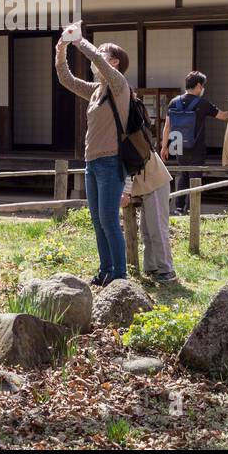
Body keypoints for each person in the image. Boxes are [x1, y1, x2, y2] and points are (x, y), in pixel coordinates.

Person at [55, 21, 132, 285]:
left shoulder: (119, 86)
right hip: (92, 162)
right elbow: (66, 79)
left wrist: (80, 41)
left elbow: (97, 60)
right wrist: (61, 49)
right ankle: (105, 270)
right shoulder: (96, 91)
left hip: (111, 162)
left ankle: (119, 275)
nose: (96, 58)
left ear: (115, 62)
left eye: (102, 54)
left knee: (109, 220)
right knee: (98, 221)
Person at [161, 71, 228, 195]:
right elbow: (222, 116)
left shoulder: (173, 102)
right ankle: (192, 207)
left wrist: (164, 146)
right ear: (198, 85)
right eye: (203, 86)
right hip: (196, 147)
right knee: (195, 177)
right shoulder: (202, 103)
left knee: (183, 175)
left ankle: (179, 207)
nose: (203, 88)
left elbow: (167, 126)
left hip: (178, 145)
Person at [121, 150, 177, 283]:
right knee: (146, 231)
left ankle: (166, 269)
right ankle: (151, 267)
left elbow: (130, 167)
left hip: (155, 183)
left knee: (157, 228)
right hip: (146, 187)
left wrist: (126, 193)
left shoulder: (126, 139)